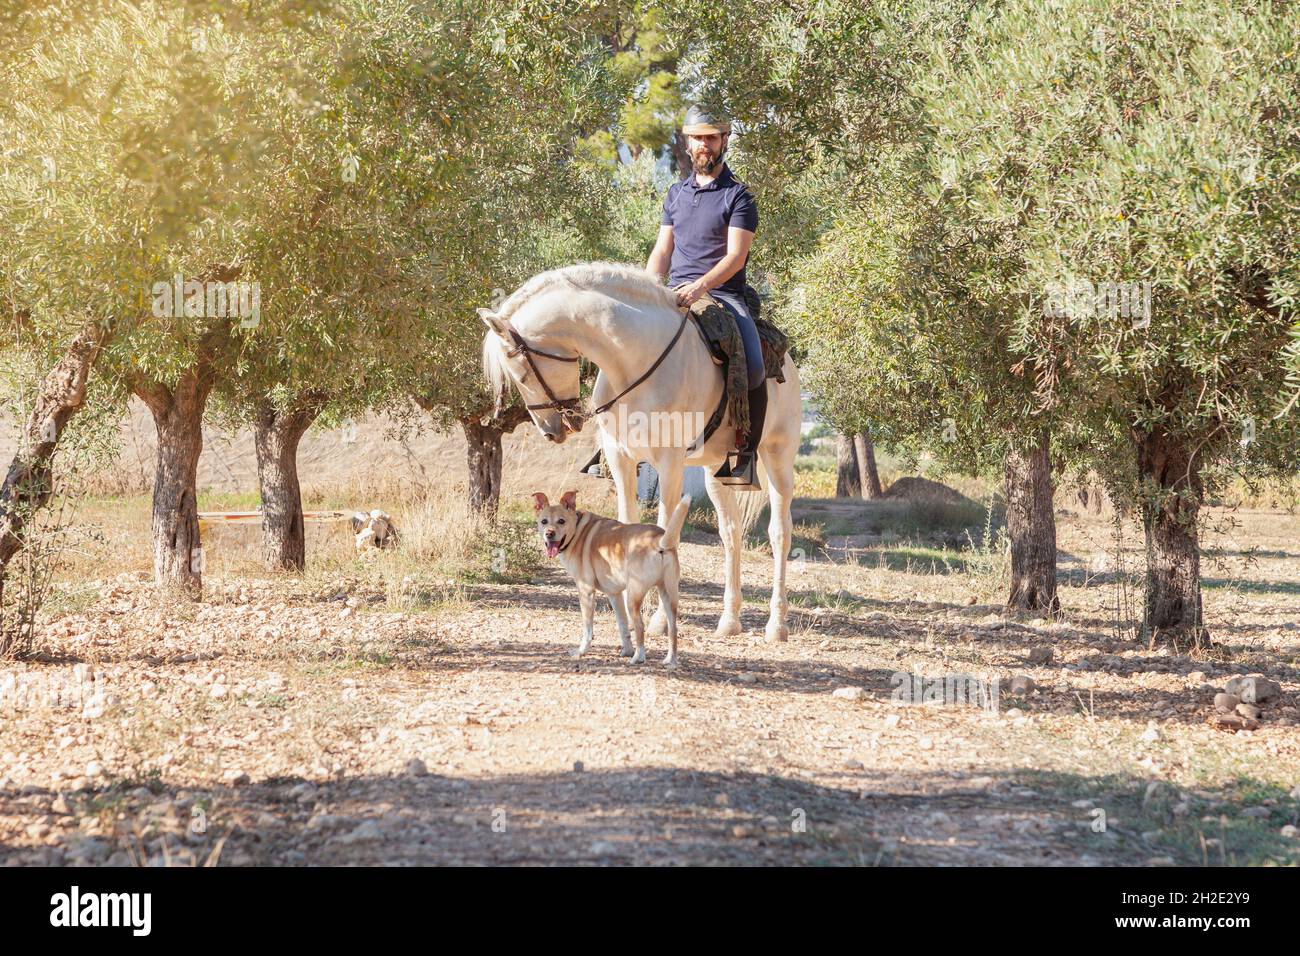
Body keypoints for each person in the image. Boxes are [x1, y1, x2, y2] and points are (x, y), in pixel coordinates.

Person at [645, 103, 766, 488]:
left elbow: (735, 257)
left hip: (722, 294)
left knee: (754, 363)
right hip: (672, 293)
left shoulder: (739, 197)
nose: (704, 145)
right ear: (687, 141)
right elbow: (663, 251)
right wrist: (647, 289)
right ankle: (611, 441)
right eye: (698, 137)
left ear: (724, 141)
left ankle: (744, 451)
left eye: (711, 137)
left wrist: (700, 286)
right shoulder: (675, 194)